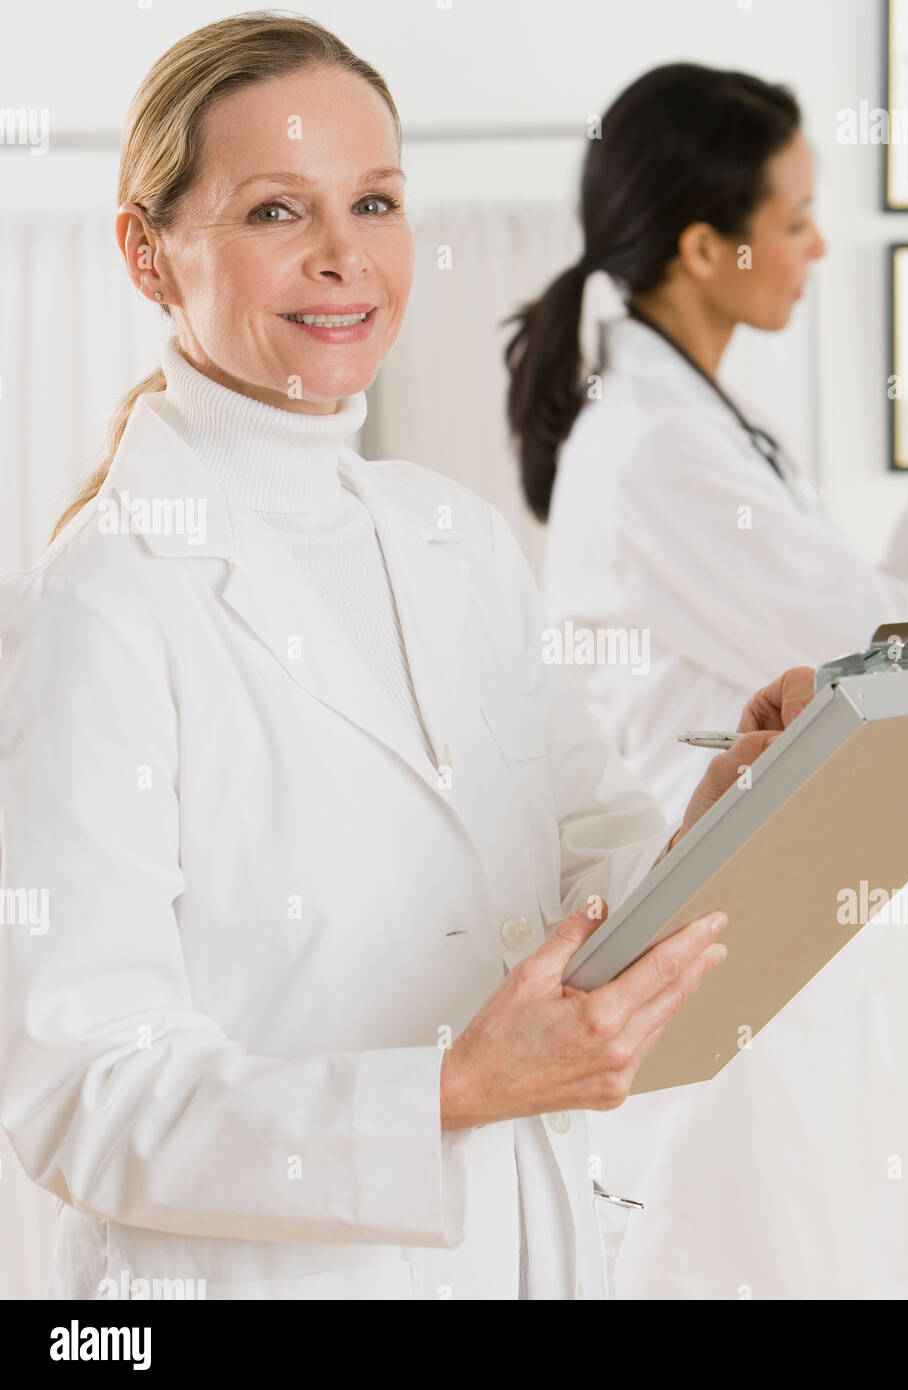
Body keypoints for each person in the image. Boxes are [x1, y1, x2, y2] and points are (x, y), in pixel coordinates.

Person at [0, 19, 814, 1302]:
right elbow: (81, 1094)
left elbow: (588, 875)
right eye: (277, 209)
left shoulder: (456, 543)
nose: (345, 257)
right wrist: (446, 1091)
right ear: (146, 253)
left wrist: (733, 812)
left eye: (375, 201)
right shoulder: (103, 600)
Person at [505, 63, 908, 1297]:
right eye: (798, 219)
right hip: (715, 954)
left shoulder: (698, 421)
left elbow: (866, 641)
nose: (820, 246)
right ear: (707, 247)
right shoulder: (659, 442)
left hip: (752, 949)